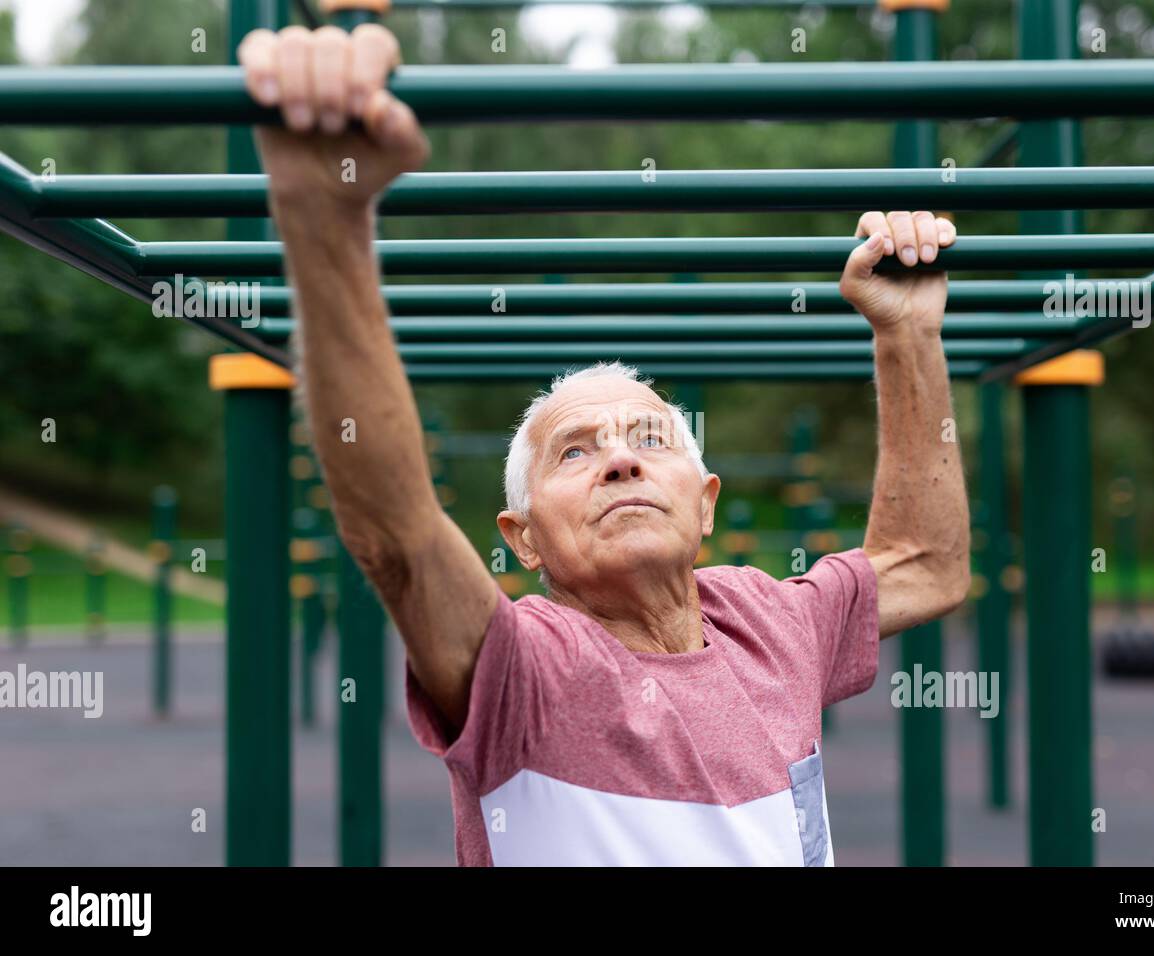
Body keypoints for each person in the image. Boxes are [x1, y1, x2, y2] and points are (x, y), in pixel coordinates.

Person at [237, 23, 970, 866]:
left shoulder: (769, 623)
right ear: (523, 540)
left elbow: (927, 562)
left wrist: (909, 335)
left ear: (705, 505)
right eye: (575, 453)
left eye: (652, 437)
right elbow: (398, 540)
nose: (620, 458)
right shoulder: (528, 674)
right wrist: (325, 218)